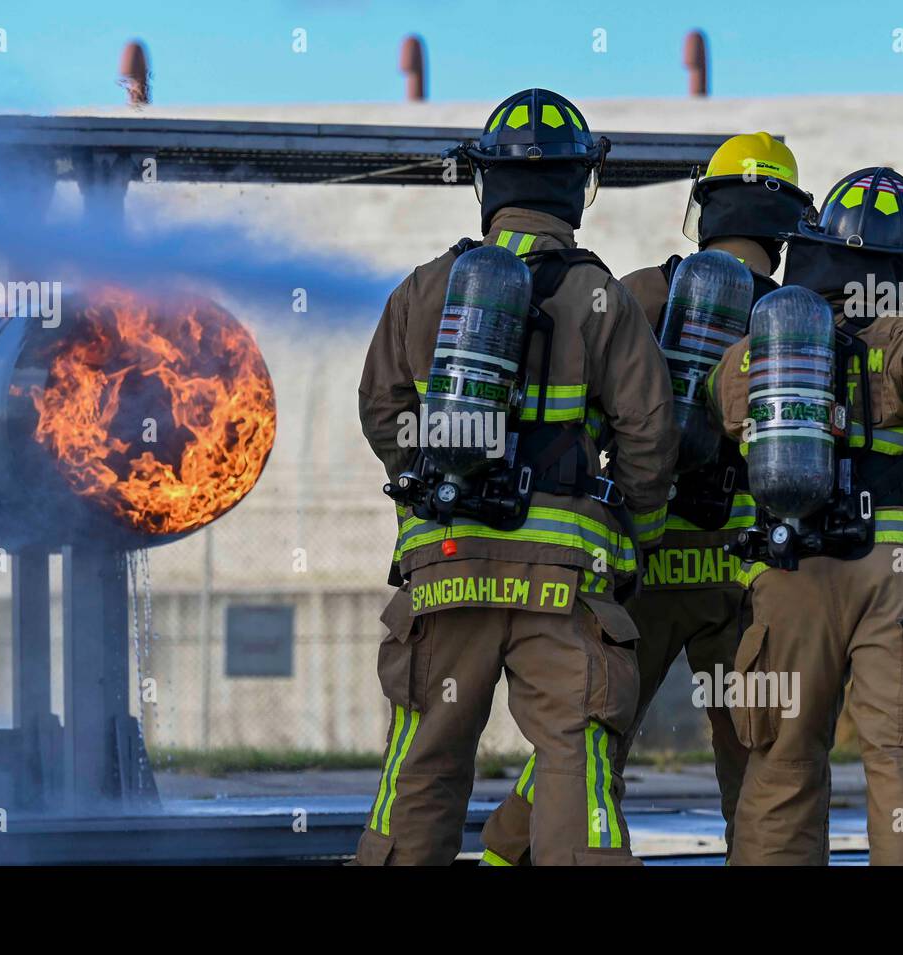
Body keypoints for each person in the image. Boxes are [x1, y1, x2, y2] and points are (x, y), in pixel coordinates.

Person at [353, 88, 676, 865]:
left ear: (485, 184)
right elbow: (650, 435)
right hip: (564, 587)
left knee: (422, 759)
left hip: (446, 569)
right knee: (576, 763)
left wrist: (430, 484)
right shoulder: (602, 298)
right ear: (578, 187)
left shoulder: (426, 287)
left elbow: (379, 408)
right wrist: (631, 528)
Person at [480, 132, 814, 863]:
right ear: (787, 226)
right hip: (750, 572)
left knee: (587, 740)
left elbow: (610, 413)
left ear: (705, 210)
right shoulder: (802, 321)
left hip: (650, 557)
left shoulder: (638, 291)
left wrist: (638, 521)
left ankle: (506, 854)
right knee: (759, 755)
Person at [708, 167, 903, 864]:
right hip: (894, 580)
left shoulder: (768, 345)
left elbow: (720, 408)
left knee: (780, 762)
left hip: (789, 571)